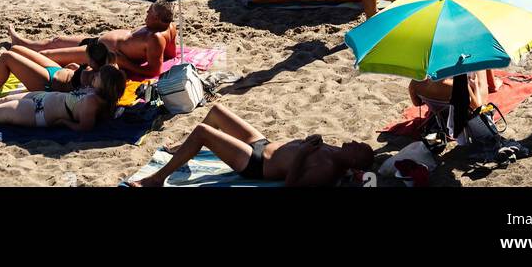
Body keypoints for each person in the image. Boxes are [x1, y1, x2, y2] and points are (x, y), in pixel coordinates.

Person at [129, 104, 375, 187]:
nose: (353, 141)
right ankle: (183, 148)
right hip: (263, 144)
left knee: (203, 132)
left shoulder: (329, 170)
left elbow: (292, 185)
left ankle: (157, 179)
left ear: (353, 160)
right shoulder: (337, 154)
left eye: (357, 146)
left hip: (256, 164)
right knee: (217, 112)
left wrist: (301, 152)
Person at [9, 0, 178, 80]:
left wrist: (126, 63)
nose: (146, 14)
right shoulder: (170, 27)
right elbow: (171, 54)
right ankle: (22, 43)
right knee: (56, 40)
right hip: (99, 42)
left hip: (101, 53)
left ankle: (7, 64)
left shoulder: (155, 39)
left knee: (49, 55)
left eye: (149, 12)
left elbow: (154, 71)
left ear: (157, 17)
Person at [0, 63, 127, 131]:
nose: (95, 76)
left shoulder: (93, 103)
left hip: (39, 113)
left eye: (99, 76)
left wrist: (64, 122)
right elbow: (113, 69)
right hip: (44, 98)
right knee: (2, 100)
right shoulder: (94, 92)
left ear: (106, 85)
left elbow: (85, 127)